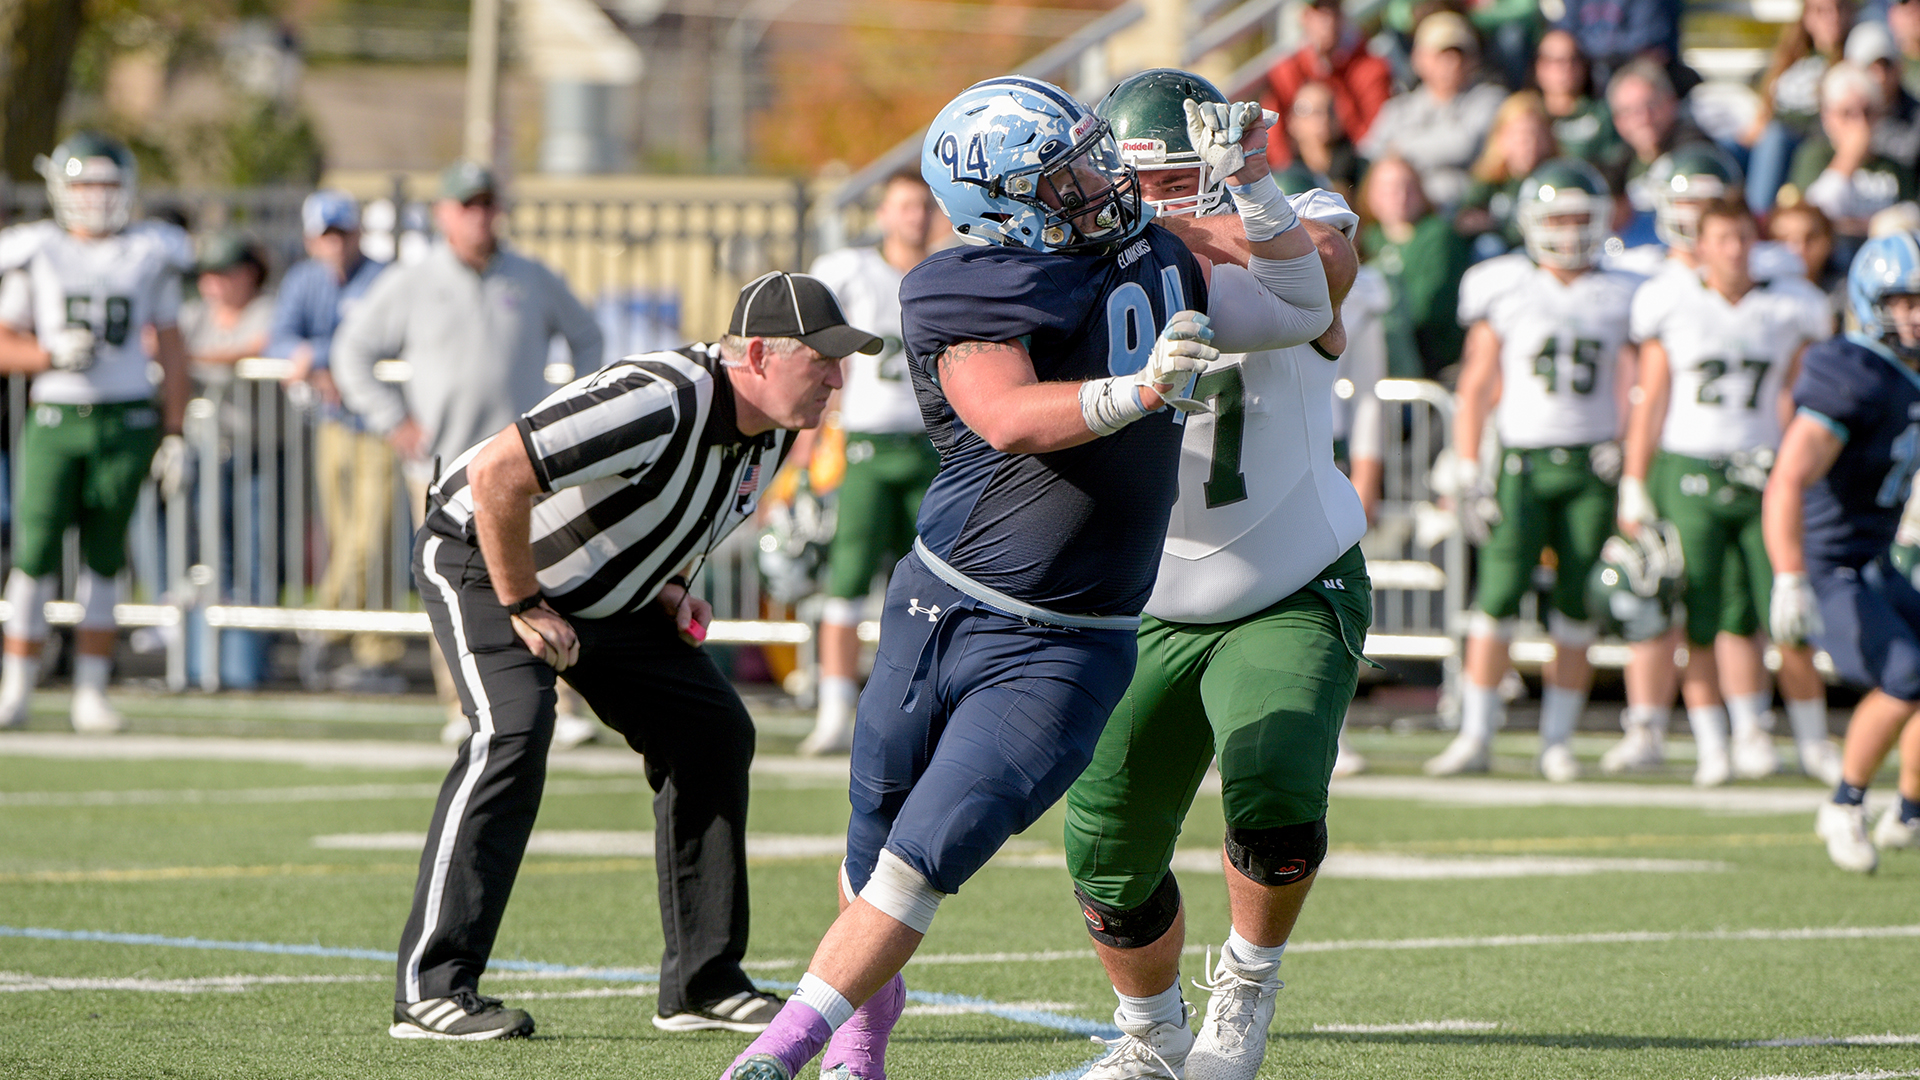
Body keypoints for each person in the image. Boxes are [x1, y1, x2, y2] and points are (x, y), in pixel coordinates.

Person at [724, 75, 1335, 1080]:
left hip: (1070, 639)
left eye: (1091, 155)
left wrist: (1259, 188)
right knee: (873, 834)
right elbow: (1006, 415)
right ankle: (859, 1051)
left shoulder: (1156, 252)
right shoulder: (963, 284)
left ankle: (779, 1054)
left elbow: (1303, 301)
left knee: (930, 849)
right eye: (1064, 176)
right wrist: (1136, 391)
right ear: (1001, 206)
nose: (1096, 181)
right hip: (942, 600)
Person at [389, 271, 881, 1039]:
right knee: (512, 733)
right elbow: (496, 475)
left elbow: (680, 514)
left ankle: (702, 981)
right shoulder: (659, 396)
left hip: (604, 593)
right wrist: (522, 604)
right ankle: (434, 986)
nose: (837, 378)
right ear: (756, 353)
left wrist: (669, 587)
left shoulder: (777, 426)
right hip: (487, 561)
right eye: (821, 359)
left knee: (712, 733)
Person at [1060, 66, 1372, 1080]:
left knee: (1275, 787)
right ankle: (1151, 1038)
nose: (1145, 205)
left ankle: (1248, 980)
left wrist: (1240, 198)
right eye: (1130, 185)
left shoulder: (1285, 214)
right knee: (1104, 850)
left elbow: (1322, 268)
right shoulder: (1074, 258)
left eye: (1167, 181)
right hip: (1142, 588)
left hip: (1285, 570)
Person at [333, 162, 605, 745]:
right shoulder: (412, 280)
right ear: (444, 214)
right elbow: (350, 350)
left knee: (546, 577)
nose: (479, 215)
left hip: (523, 467)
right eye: (467, 205)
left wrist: (569, 411)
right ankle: (463, 707)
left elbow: (588, 335)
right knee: (454, 588)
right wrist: (392, 420)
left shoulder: (531, 276)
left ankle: (562, 706)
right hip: (442, 467)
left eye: (486, 203)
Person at [1426, 160, 1638, 781]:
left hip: (1593, 463)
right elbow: (1478, 382)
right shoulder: (1507, 284)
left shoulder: (1623, 289)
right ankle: (1476, 732)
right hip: (1518, 462)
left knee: (1578, 604)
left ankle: (1557, 739)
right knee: (1496, 599)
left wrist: (1624, 445)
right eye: (1558, 218)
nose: (1571, 230)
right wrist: (1468, 466)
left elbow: (1639, 380)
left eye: (1581, 217)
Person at [1616, 199, 1837, 787]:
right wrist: (1634, 480)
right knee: (1700, 613)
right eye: (1722, 238)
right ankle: (1715, 743)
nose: (1734, 250)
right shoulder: (1673, 301)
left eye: (1742, 237)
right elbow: (1651, 397)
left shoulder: (1790, 306)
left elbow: (1804, 395)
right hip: (1688, 468)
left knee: (1779, 612)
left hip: (1766, 471)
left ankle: (1801, 739)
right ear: (1702, 245)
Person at [0, 132, 192, 733]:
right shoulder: (37, 250)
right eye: (84, 184)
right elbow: (5, 342)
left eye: (108, 184)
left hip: (126, 415)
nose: (96, 197)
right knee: (33, 556)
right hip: (57, 415)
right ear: (60, 187)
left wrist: (175, 427)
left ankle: (90, 690)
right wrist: (50, 355)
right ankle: (17, 690)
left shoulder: (149, 251)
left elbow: (174, 344)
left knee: (106, 560)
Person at [1764, 230, 1920, 872]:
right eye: (1904, 301)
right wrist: (1791, 577)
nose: (1916, 315)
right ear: (1870, 301)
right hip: (1830, 562)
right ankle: (1844, 804)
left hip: (1876, 557)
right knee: (1905, 673)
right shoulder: (1850, 373)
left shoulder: (1905, 372)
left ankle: (1909, 811)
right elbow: (1788, 479)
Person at [799, 170, 941, 756]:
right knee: (847, 579)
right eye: (904, 205)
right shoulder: (852, 271)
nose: (914, 216)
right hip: (865, 446)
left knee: (934, 585)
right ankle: (835, 706)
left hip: (931, 446)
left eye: (922, 206)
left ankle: (928, 702)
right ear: (883, 214)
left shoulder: (946, 274)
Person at [268, 191, 401, 692]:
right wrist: (304, 354)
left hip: (382, 423)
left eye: (342, 233)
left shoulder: (382, 277)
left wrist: (322, 355)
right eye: (326, 235)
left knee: (373, 533)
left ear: (357, 234)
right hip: (333, 422)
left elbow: (380, 339)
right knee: (344, 532)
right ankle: (368, 648)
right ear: (310, 239)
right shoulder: (303, 280)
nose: (335, 244)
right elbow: (277, 337)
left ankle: (326, 625)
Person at [178, 231, 277, 689]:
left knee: (256, 555)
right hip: (207, 454)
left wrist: (194, 359)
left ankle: (248, 662)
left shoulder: (266, 308)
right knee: (210, 557)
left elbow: (260, 343)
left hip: (258, 455)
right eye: (208, 275)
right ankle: (208, 661)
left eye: (224, 273)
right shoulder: (194, 314)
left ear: (247, 275)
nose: (214, 284)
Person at [1358, 11, 1508, 210]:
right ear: (1418, 59)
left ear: (1474, 59)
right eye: (1441, 55)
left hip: (1462, 209)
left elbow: (1462, 144)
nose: (1452, 64)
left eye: (1459, 55)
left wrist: (1400, 149)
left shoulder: (1490, 99)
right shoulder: (1399, 107)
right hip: (1401, 211)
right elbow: (1370, 154)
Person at [1357, 154, 1473, 378]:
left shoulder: (1439, 235)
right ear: (1371, 194)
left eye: (1408, 187)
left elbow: (1429, 308)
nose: (1400, 197)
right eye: (1388, 189)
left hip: (1429, 358)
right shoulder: (1367, 239)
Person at [1788, 62, 1917, 254]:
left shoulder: (1894, 166)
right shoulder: (1814, 156)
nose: (1860, 123)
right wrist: (1848, 158)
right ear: (1827, 117)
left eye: (1867, 112)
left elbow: (1910, 216)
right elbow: (1811, 218)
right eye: (1847, 113)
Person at [1743, 0, 1854, 213]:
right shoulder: (1793, 56)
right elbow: (1768, 103)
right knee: (1728, 145)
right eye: (1821, 11)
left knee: (1775, 138)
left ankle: (1759, 218)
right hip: (1772, 131)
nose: (1832, 18)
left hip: (1809, 136)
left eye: (1839, 9)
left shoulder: (1850, 56)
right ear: (1807, 17)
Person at [1262, 0, 1394, 167]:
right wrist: (1292, 176)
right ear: (1304, 18)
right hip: (1302, 171)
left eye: (1333, 10)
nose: (1327, 21)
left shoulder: (1371, 68)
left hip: (1351, 168)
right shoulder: (1287, 70)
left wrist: (1331, 72)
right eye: (1319, 12)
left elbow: (1373, 135)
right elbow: (1274, 132)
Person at [1600, 60, 1710, 246]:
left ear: (1671, 102)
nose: (1643, 118)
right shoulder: (1618, 166)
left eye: (1650, 105)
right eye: (1629, 111)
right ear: (1617, 121)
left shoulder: (1697, 153)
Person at [1455, 92, 1561, 257]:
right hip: (1500, 257)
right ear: (1501, 138)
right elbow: (1466, 218)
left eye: (1536, 134)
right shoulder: (1489, 179)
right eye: (1520, 136)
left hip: (1541, 255)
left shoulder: (1555, 179)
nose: (1529, 144)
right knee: (1488, 245)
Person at [1534, 29, 1619, 166]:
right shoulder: (1530, 117)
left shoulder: (1602, 115)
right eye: (1557, 61)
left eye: (1573, 59)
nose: (1567, 67)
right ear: (1539, 67)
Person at [1275, 82, 1363, 197]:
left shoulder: (1360, 170)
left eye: (1330, 109)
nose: (1324, 118)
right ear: (1292, 122)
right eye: (1313, 111)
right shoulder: (1289, 180)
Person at [1770, 201, 1847, 315]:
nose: (1799, 249)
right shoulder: (1758, 297)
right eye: (1785, 240)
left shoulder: (1847, 293)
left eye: (1810, 238)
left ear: (1828, 242)